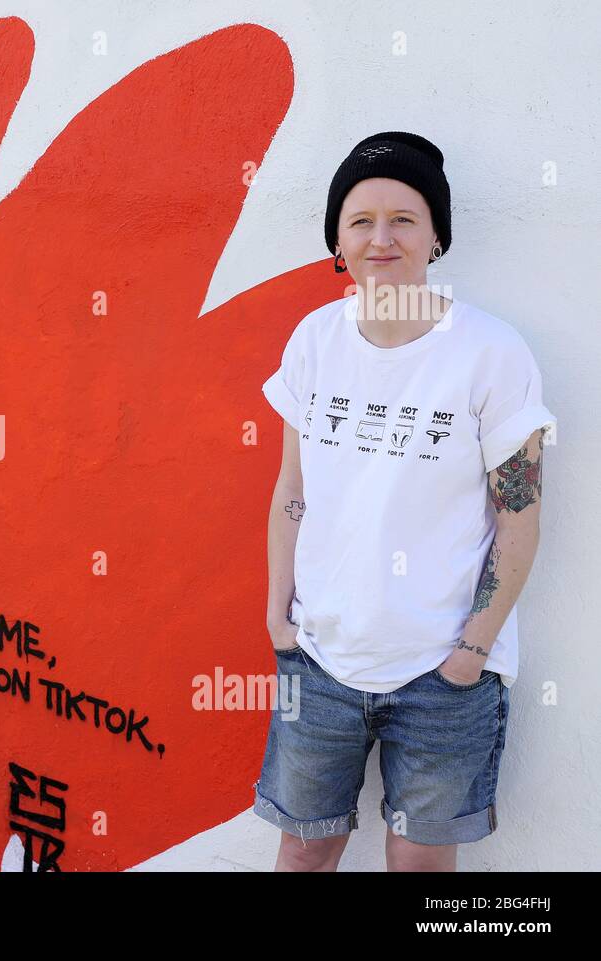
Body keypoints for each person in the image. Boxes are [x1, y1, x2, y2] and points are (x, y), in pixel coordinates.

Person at [253, 131, 556, 871]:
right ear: (338, 239)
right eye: (360, 220)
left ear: (436, 235)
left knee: (418, 864)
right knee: (304, 848)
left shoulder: (491, 352)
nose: (380, 239)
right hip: (320, 657)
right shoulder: (314, 340)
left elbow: (519, 513)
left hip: (443, 672)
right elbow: (293, 487)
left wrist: (472, 651)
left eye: (403, 218)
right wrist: (277, 612)